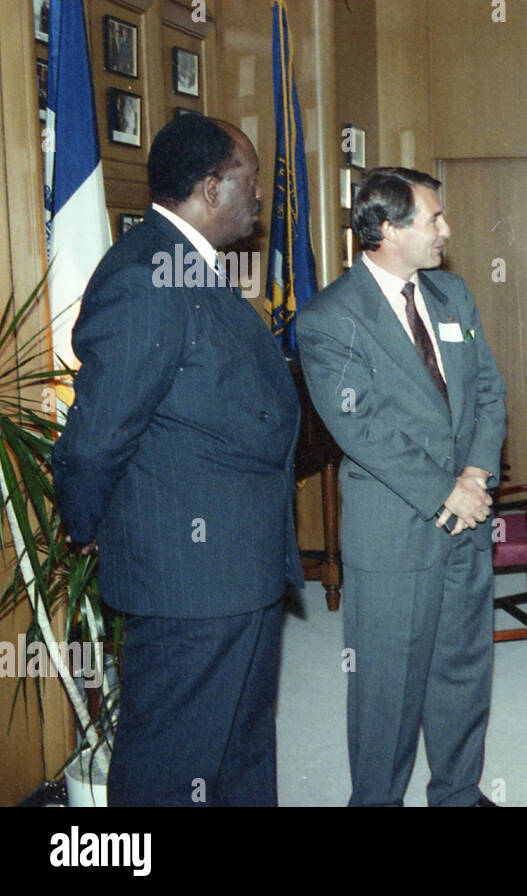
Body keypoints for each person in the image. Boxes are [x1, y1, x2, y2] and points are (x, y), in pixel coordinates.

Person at [52, 115, 300, 806]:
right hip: (189, 576)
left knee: (240, 745)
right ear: (212, 186)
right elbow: (98, 434)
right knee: (172, 761)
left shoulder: (186, 263)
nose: (259, 197)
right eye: (250, 180)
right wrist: (90, 523)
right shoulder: (145, 277)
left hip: (236, 565)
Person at [296, 167, 506, 807]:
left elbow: (489, 393)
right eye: (433, 218)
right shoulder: (330, 318)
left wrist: (475, 473)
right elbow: (358, 428)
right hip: (395, 533)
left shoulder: (453, 296)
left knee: (463, 674)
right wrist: (446, 489)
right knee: (386, 690)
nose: (447, 229)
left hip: (466, 522)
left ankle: (459, 794)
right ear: (387, 230)